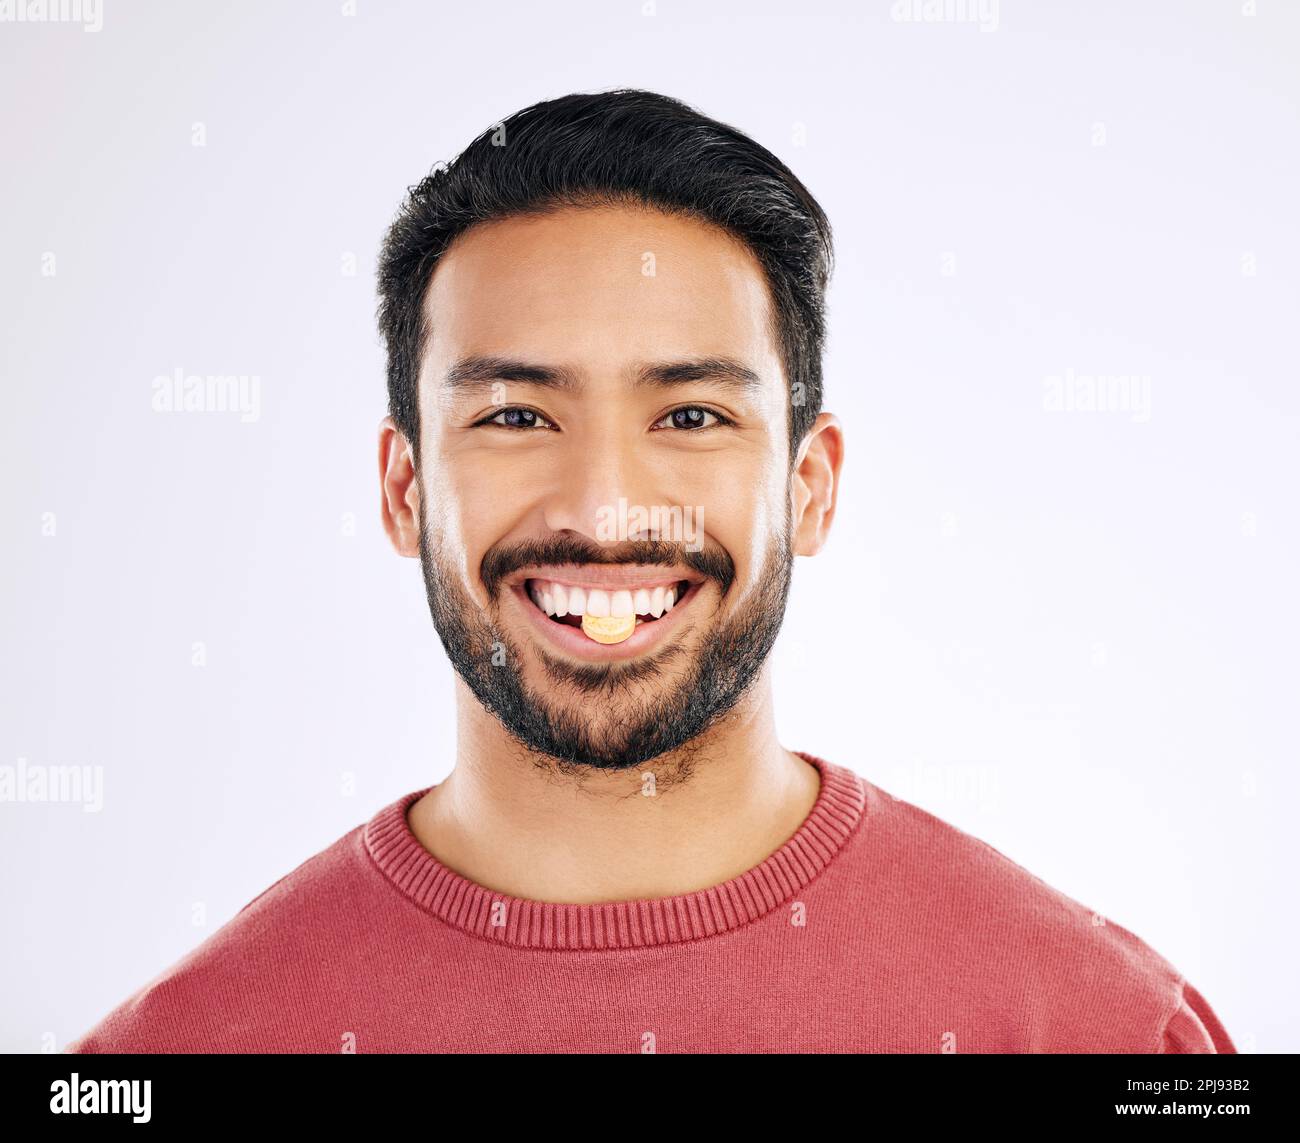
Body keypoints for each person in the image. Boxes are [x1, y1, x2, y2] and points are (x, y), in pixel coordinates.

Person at [68, 89, 1234, 1053]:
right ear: (402, 488)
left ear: (809, 486)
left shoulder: (1109, 1036)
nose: (604, 507)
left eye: (688, 414)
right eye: (518, 415)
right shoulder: (165, 1056)